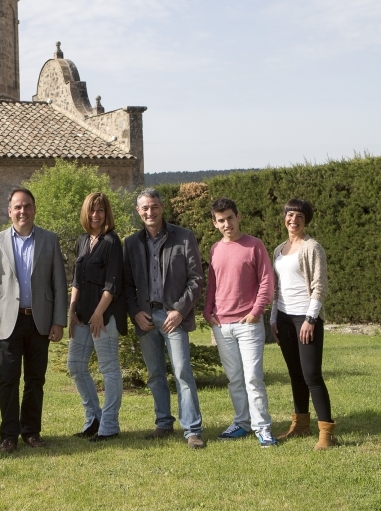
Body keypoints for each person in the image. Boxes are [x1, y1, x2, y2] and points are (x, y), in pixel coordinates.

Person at [0, 187, 67, 454]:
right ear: (9, 211)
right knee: (7, 380)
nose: (22, 211)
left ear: (34, 209)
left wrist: (58, 321)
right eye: (17, 207)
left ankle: (31, 431)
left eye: (27, 206)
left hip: (39, 321)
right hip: (8, 322)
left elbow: (59, 284)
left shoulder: (50, 240)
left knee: (35, 379)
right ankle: (8, 435)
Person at [123, 188, 207, 449]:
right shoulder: (131, 243)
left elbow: (196, 278)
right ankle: (163, 423)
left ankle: (192, 430)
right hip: (145, 318)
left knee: (182, 371)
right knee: (155, 374)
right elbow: (126, 284)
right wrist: (135, 312)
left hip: (174, 317)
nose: (150, 212)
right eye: (145, 208)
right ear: (139, 211)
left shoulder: (183, 237)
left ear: (162, 207)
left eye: (154, 206)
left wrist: (180, 311)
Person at [204, 198, 277, 447]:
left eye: (230, 218)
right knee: (234, 378)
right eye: (221, 220)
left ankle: (262, 427)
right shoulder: (215, 249)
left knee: (253, 378)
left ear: (239, 216)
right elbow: (212, 284)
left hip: (248, 323)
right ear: (215, 223)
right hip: (222, 325)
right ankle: (242, 423)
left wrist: (257, 312)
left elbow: (267, 281)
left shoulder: (254, 246)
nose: (227, 224)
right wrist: (208, 313)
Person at [270, 198, 337, 450]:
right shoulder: (278, 250)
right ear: (284, 218)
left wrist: (310, 319)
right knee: (295, 375)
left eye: (299, 216)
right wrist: (274, 318)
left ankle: (326, 433)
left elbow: (320, 287)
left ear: (305, 220)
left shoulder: (313, 247)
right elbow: (277, 290)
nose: (293, 220)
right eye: (289, 215)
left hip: (306, 318)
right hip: (284, 319)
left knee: (312, 376)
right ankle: (300, 425)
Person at [67, 192, 126, 442]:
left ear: (106, 213)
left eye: (100, 210)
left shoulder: (112, 241)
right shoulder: (82, 240)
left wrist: (99, 313)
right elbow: (77, 279)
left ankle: (110, 425)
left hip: (105, 315)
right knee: (76, 365)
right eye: (91, 210)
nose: (95, 215)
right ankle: (94, 418)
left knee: (109, 368)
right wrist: (71, 310)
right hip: (82, 315)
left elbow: (112, 282)